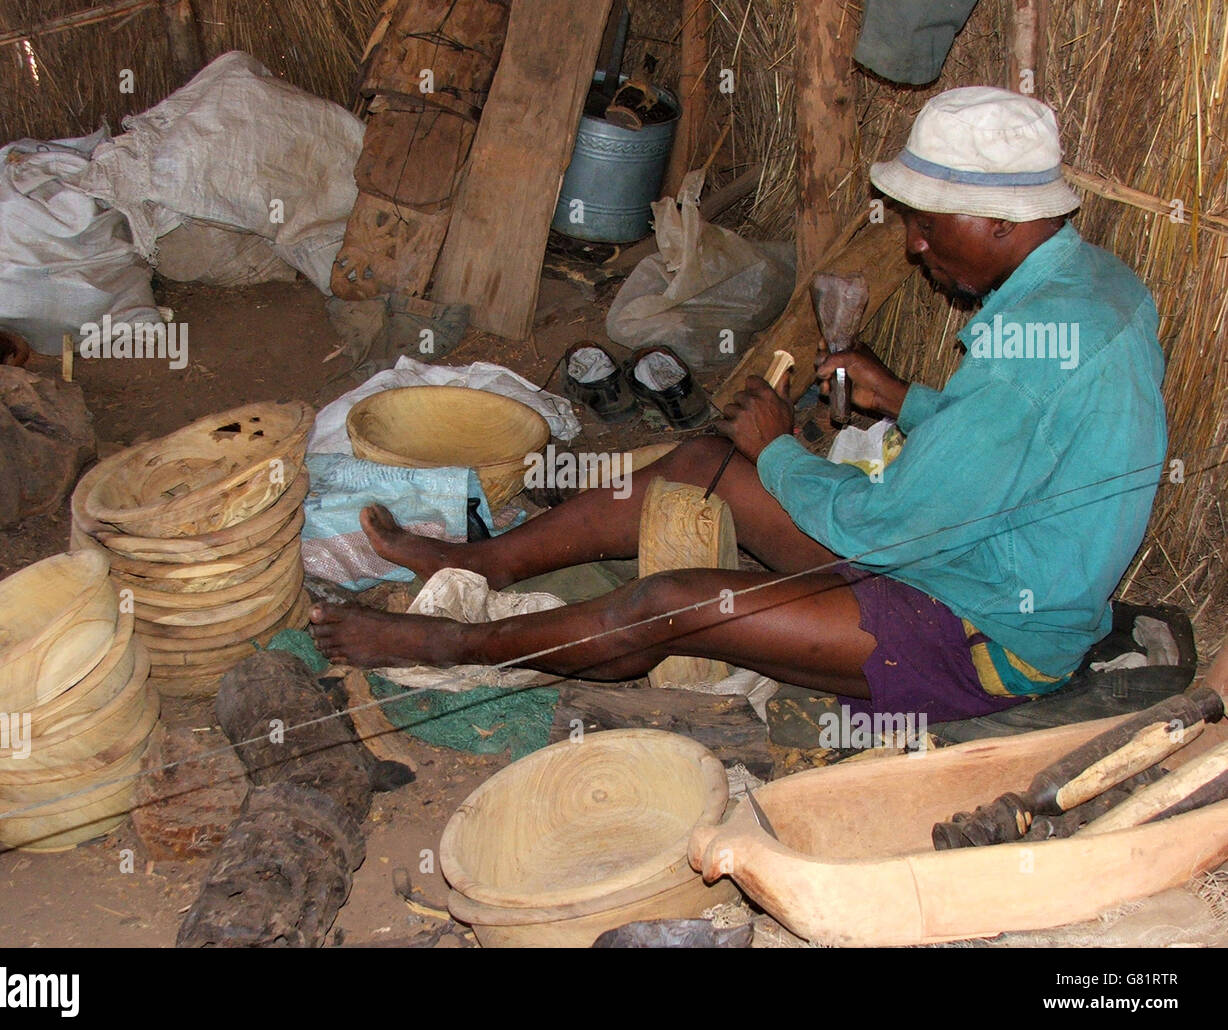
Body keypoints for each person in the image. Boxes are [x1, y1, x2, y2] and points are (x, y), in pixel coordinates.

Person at [310, 86, 1167, 723]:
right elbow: (1023, 447)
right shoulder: (1093, 288)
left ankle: (455, 644)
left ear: (1000, 221)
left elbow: (889, 528)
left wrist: (779, 449)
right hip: (962, 559)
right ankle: (491, 565)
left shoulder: (1028, 349)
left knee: (673, 601)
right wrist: (903, 398)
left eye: (929, 223)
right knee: (699, 463)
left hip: (983, 632)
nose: (913, 243)